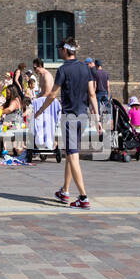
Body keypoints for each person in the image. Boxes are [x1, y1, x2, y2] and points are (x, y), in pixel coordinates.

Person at [33, 37, 100, 208]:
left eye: (59, 49)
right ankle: (65, 190)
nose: (58, 51)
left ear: (65, 50)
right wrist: (97, 117)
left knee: (73, 156)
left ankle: (83, 197)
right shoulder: (86, 69)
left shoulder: (63, 70)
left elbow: (53, 94)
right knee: (71, 153)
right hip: (83, 116)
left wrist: (40, 111)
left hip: (70, 117)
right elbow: (92, 94)